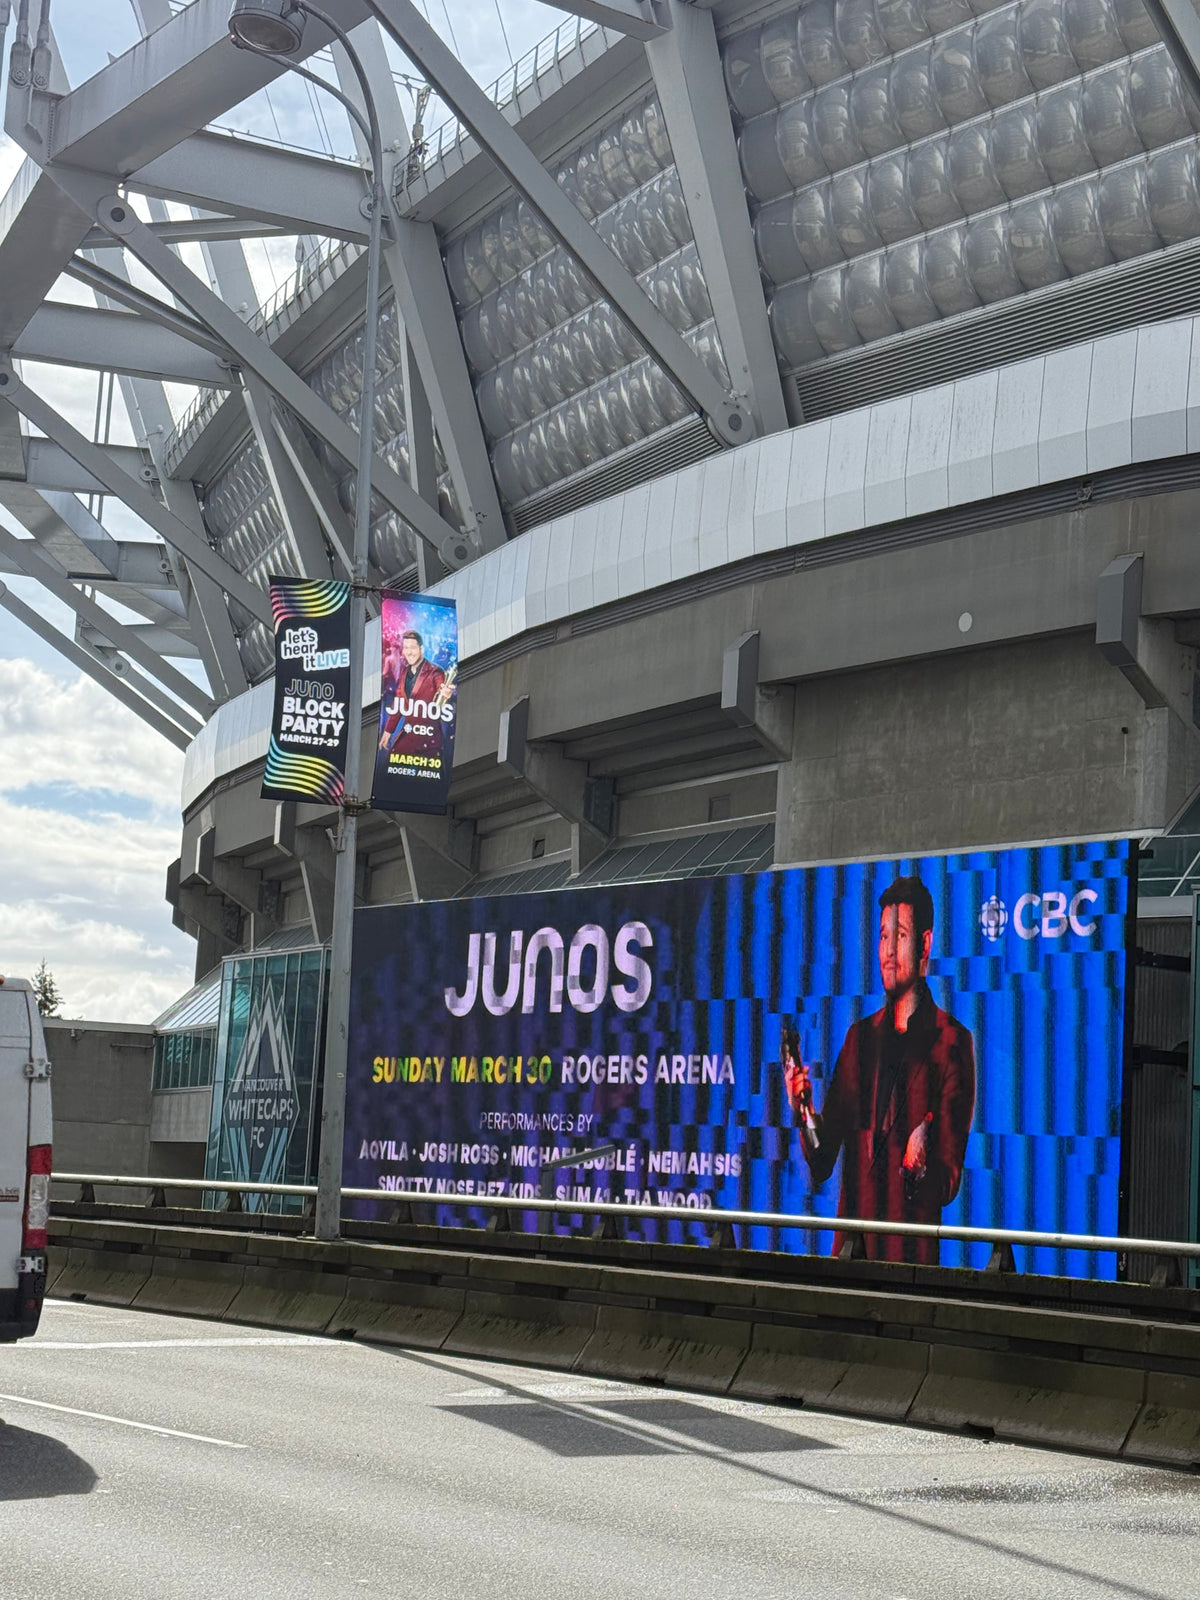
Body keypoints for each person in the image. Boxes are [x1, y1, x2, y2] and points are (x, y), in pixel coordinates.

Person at [783, 875, 975, 1264]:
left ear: (924, 944)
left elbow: (947, 1182)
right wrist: (802, 1109)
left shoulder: (951, 1042)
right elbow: (823, 1163)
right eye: (883, 936)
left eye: (899, 936)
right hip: (850, 1258)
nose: (888, 950)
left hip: (910, 1265)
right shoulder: (859, 1040)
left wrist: (919, 1165)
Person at [378, 630, 445, 755]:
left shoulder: (435, 671)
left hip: (428, 736)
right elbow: (399, 703)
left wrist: (444, 691)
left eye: (413, 648)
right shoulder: (405, 672)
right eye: (406, 648)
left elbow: (441, 685)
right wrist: (388, 731)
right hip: (409, 734)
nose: (409, 652)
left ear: (421, 649)